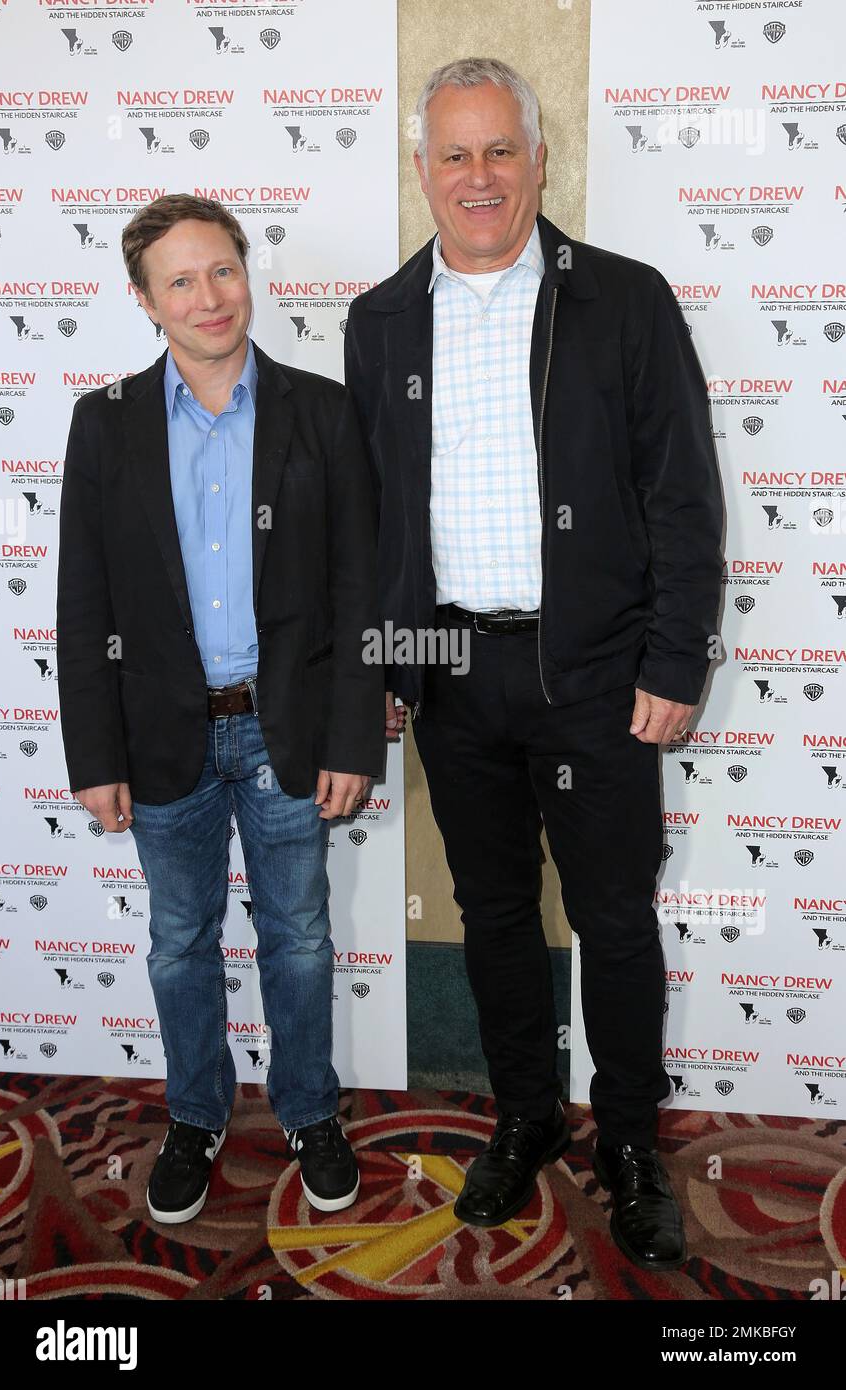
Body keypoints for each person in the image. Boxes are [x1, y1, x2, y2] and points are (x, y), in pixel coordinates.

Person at [344, 58, 723, 1270]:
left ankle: (624, 1143)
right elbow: (375, 519)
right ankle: (520, 1115)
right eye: (452, 155)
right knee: (495, 912)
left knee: (613, 921)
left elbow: (680, 497)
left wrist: (672, 657)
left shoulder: (623, 297)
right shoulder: (380, 319)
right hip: (453, 670)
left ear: (539, 157)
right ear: (421, 173)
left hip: (600, 675)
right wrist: (390, 669)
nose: (477, 178)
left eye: (498, 150)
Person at [56, 194, 385, 1224]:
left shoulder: (323, 414)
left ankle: (307, 1111)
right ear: (145, 301)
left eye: (223, 271)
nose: (209, 297)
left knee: (297, 936)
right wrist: (92, 753)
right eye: (182, 280)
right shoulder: (101, 424)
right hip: (162, 739)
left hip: (285, 727)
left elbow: (356, 590)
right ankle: (195, 1116)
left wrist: (351, 731)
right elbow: (84, 601)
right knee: (179, 941)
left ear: (248, 274)